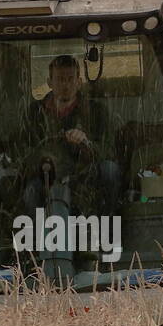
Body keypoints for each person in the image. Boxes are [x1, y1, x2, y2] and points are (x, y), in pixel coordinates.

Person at [20, 54, 122, 218]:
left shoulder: (97, 111)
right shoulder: (34, 113)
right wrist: (44, 159)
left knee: (110, 170)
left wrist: (86, 142)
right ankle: (35, 240)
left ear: (79, 82)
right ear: (50, 83)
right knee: (31, 191)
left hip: (87, 176)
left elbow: (110, 150)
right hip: (47, 176)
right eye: (60, 79)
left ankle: (109, 234)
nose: (65, 85)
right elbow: (22, 152)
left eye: (70, 79)